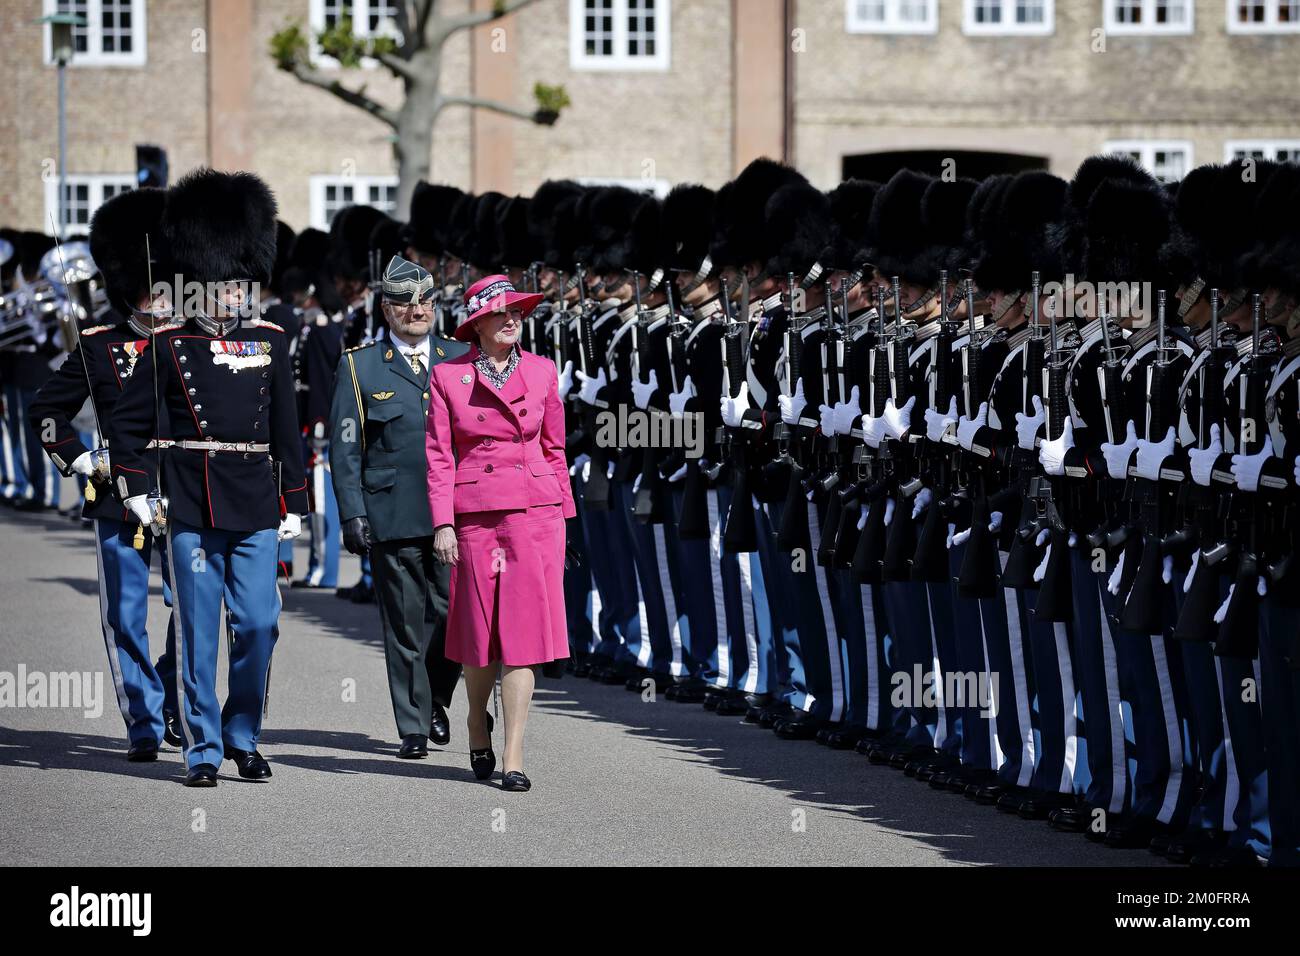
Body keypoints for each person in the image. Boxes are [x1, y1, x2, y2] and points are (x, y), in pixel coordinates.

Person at [109, 168, 307, 787]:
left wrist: (294, 502)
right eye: (225, 283)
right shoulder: (167, 345)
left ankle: (244, 731)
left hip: (253, 502)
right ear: (199, 282)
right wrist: (137, 489)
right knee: (196, 631)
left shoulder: (271, 341)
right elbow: (127, 425)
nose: (235, 293)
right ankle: (203, 748)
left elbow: (286, 429)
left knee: (256, 623)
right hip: (190, 503)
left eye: (243, 282)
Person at [27, 187, 183, 759]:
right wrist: (80, 458)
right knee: (124, 612)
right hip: (116, 493)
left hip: (186, 489)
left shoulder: (197, 343)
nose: (160, 300)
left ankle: (169, 693)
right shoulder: (99, 346)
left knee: (190, 608)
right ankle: (142, 719)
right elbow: (45, 413)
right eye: (149, 290)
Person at [425, 273, 575, 792]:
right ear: (478, 323)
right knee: (478, 634)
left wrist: (563, 518)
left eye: (518, 312)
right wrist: (442, 521)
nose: (514, 320)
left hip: (534, 515)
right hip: (475, 514)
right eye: (502, 313)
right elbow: (440, 457)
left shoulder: (541, 371)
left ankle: (513, 756)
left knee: (524, 636)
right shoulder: (448, 377)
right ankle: (474, 720)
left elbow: (556, 449)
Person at [329, 255, 469, 758]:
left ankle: (435, 695)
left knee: (454, 614)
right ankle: (412, 723)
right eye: (406, 304)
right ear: (386, 309)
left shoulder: (460, 357)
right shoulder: (360, 365)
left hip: (454, 512)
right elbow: (344, 447)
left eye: (426, 302)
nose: (417, 311)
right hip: (391, 510)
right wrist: (351, 512)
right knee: (405, 622)